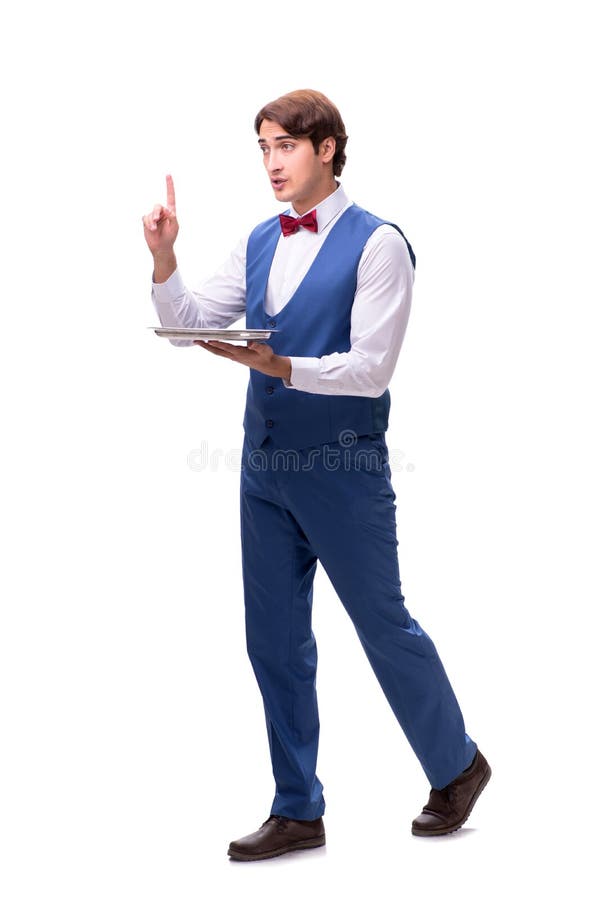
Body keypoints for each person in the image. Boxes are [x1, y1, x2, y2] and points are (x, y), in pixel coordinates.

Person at [143, 88, 491, 862]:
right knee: (272, 641)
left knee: (382, 628)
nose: (271, 162)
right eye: (263, 148)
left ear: (327, 148)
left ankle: (457, 765)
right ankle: (297, 806)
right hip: (263, 466)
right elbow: (189, 323)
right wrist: (165, 261)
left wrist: (280, 363)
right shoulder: (259, 238)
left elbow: (370, 369)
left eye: (285, 147)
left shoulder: (379, 245)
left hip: (341, 467)